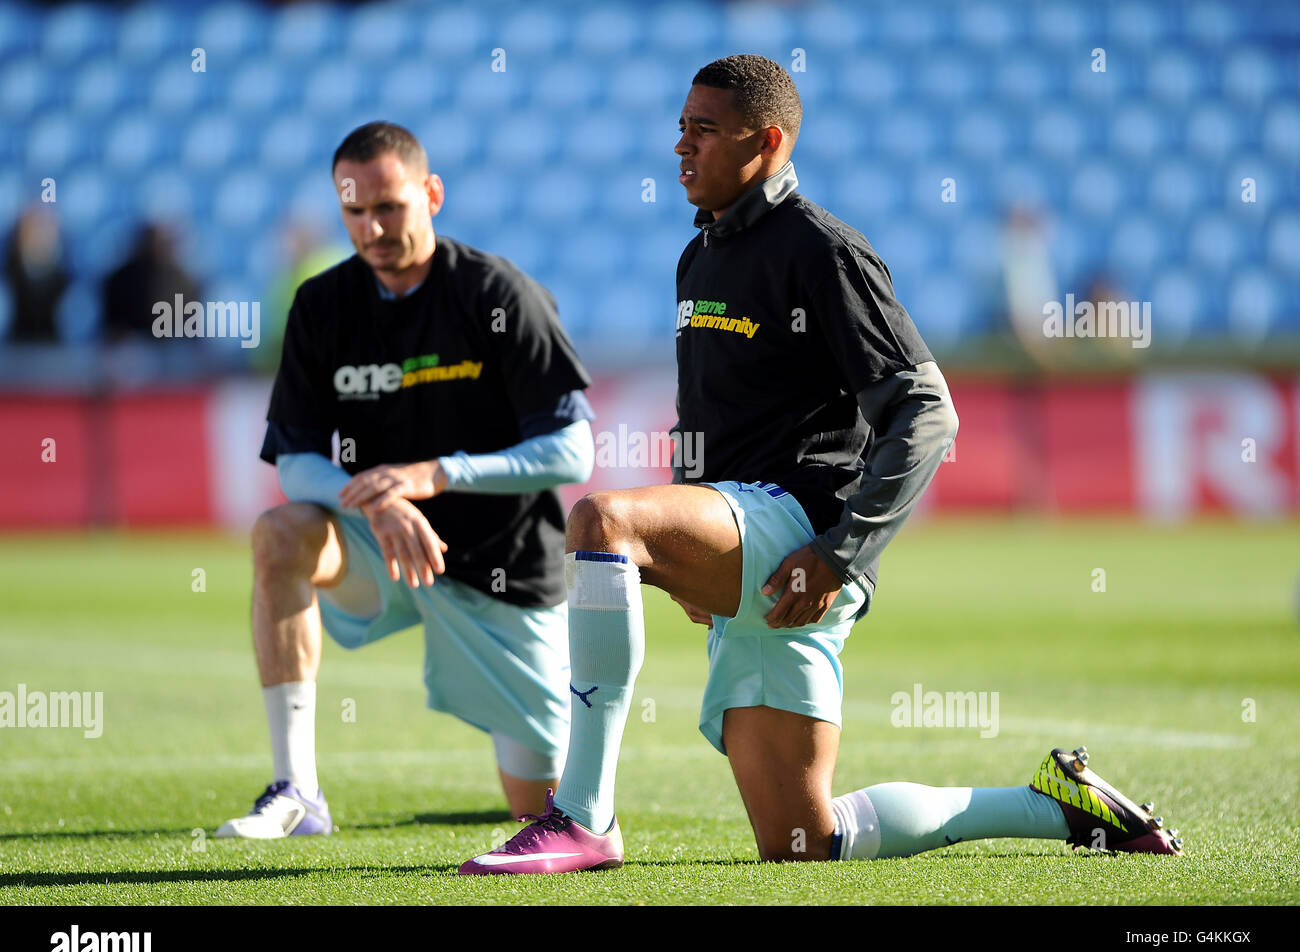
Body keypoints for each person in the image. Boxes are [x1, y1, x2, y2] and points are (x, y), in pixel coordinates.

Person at [460, 56, 1182, 873]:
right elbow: (707, 420)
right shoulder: (698, 258)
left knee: (600, 519)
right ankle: (1055, 805)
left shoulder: (822, 249)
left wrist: (841, 554)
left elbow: (928, 410)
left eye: (703, 130)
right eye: (680, 128)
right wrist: (696, 555)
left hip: (800, 529)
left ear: (766, 141)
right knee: (803, 840)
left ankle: (583, 816)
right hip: (752, 541)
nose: (680, 147)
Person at [217, 121, 595, 838]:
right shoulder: (322, 304)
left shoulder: (500, 292)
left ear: (431, 194)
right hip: (382, 545)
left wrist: (436, 474)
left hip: (500, 565)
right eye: (355, 211)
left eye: (390, 206)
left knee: (539, 808)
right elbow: (295, 460)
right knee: (280, 535)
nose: (373, 227)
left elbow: (573, 450)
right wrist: (379, 501)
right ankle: (298, 790)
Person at [3, 205, 70, 343]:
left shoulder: (68, 283)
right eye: (34, 227)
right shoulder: (7, 280)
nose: (40, 235)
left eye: (45, 228)